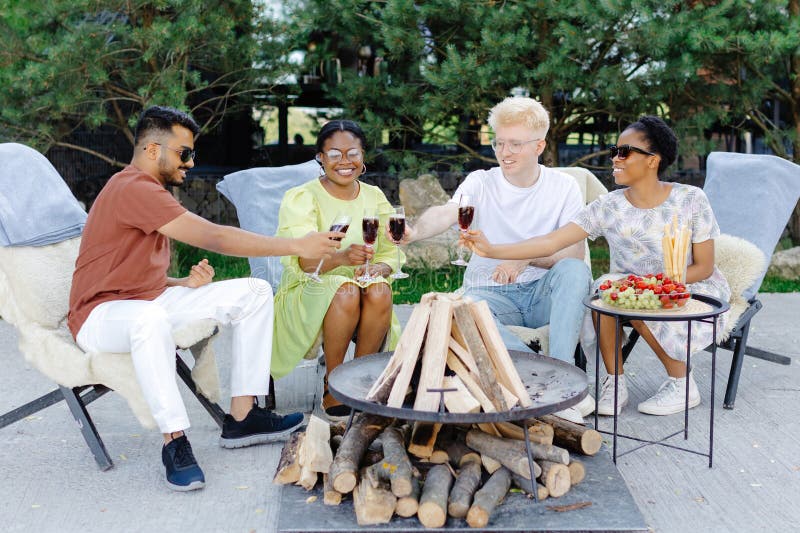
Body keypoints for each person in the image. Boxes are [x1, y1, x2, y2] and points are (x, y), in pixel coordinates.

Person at [67, 106, 343, 491]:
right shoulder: (132, 187)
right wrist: (298, 244)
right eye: (184, 153)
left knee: (254, 291)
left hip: (147, 303)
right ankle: (175, 441)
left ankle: (243, 416)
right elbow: (214, 236)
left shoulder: (147, 192)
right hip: (98, 318)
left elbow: (126, 274)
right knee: (150, 321)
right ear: (152, 150)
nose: (192, 162)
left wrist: (180, 285)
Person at [463, 115, 731, 417]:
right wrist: (494, 249)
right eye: (613, 151)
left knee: (636, 299)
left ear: (653, 161)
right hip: (629, 287)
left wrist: (655, 286)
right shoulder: (608, 206)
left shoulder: (691, 199)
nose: (615, 159)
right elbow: (552, 242)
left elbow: (705, 266)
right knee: (606, 290)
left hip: (686, 283)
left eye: (625, 152)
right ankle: (614, 384)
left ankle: (682, 384)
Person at [402, 96, 594, 423]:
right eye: (499, 143)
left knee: (575, 271)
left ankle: (566, 384)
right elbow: (448, 212)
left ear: (539, 146)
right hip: (489, 294)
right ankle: (530, 379)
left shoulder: (563, 187)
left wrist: (524, 259)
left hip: (541, 294)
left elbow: (572, 251)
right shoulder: (481, 182)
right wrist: (415, 230)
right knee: (462, 307)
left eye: (515, 144)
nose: (505, 153)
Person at [272, 119, 403, 419]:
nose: (345, 162)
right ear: (320, 157)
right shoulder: (303, 197)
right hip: (310, 285)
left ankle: (361, 383)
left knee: (380, 290)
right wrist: (343, 259)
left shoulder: (374, 197)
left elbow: (390, 253)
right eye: (334, 154)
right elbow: (304, 261)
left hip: (359, 283)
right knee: (345, 291)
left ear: (363, 155)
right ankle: (334, 385)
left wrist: (378, 269)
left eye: (352, 153)